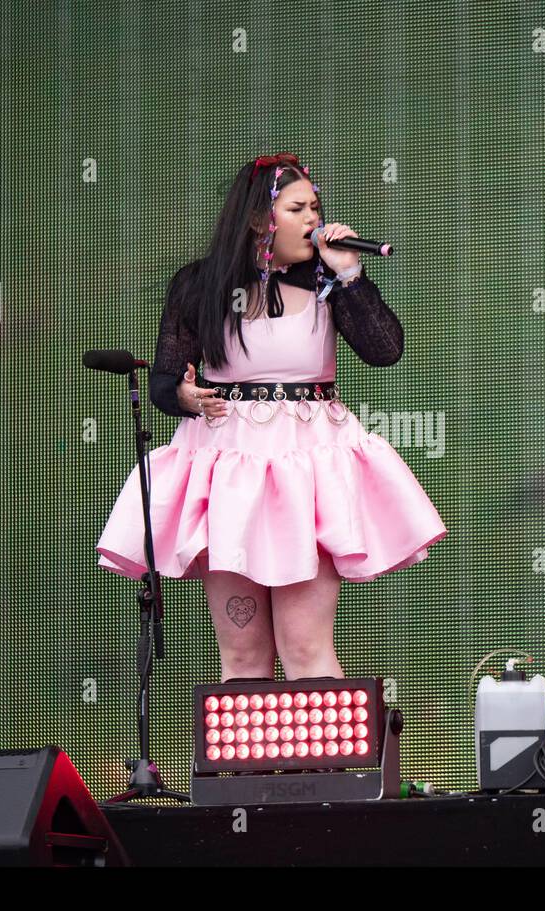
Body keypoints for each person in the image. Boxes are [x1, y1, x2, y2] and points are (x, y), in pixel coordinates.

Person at [96, 152, 447, 682]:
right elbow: (164, 383)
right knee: (242, 655)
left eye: (316, 207)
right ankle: (243, 769)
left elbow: (384, 348)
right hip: (228, 469)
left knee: (306, 648)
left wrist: (351, 274)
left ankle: (327, 767)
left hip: (304, 467)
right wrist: (190, 398)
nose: (314, 219)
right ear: (262, 219)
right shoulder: (200, 286)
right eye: (299, 207)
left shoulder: (326, 282)